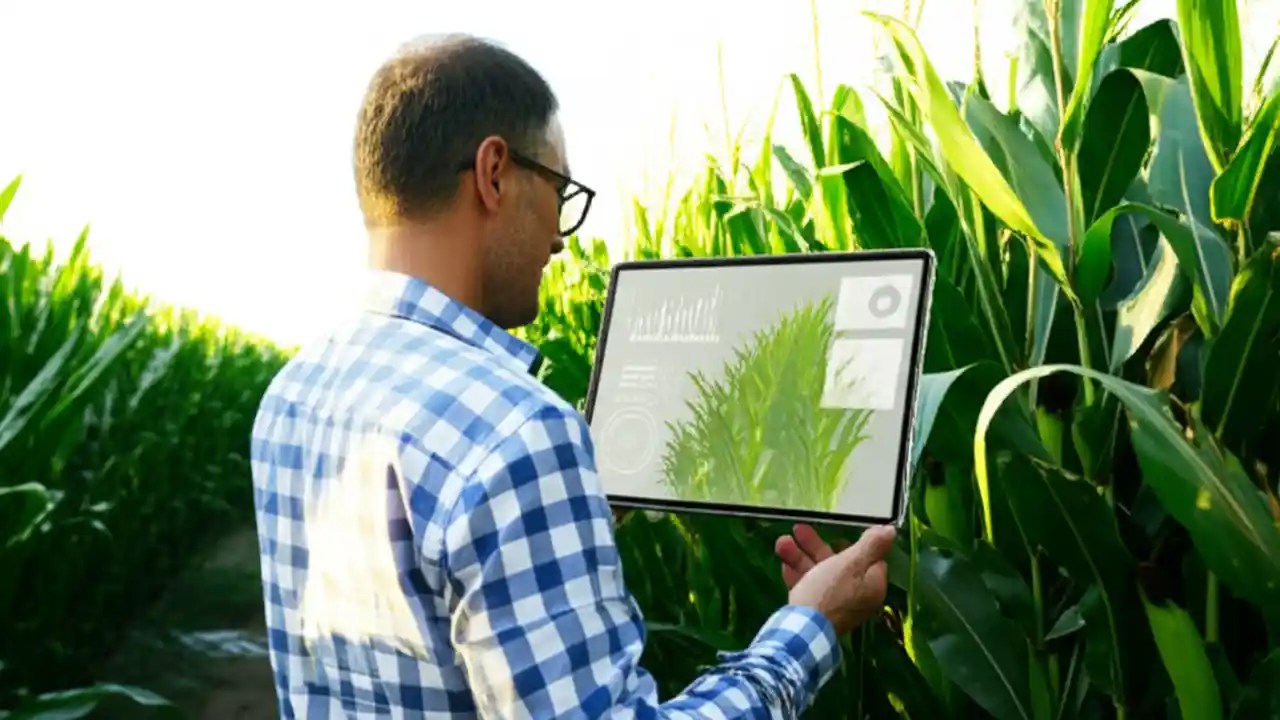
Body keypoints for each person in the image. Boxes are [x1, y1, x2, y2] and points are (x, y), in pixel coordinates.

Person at [249, 32, 897, 719]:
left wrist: (573, 503)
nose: (561, 237)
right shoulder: (517, 435)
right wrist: (809, 628)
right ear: (494, 172)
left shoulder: (293, 396)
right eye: (560, 191)